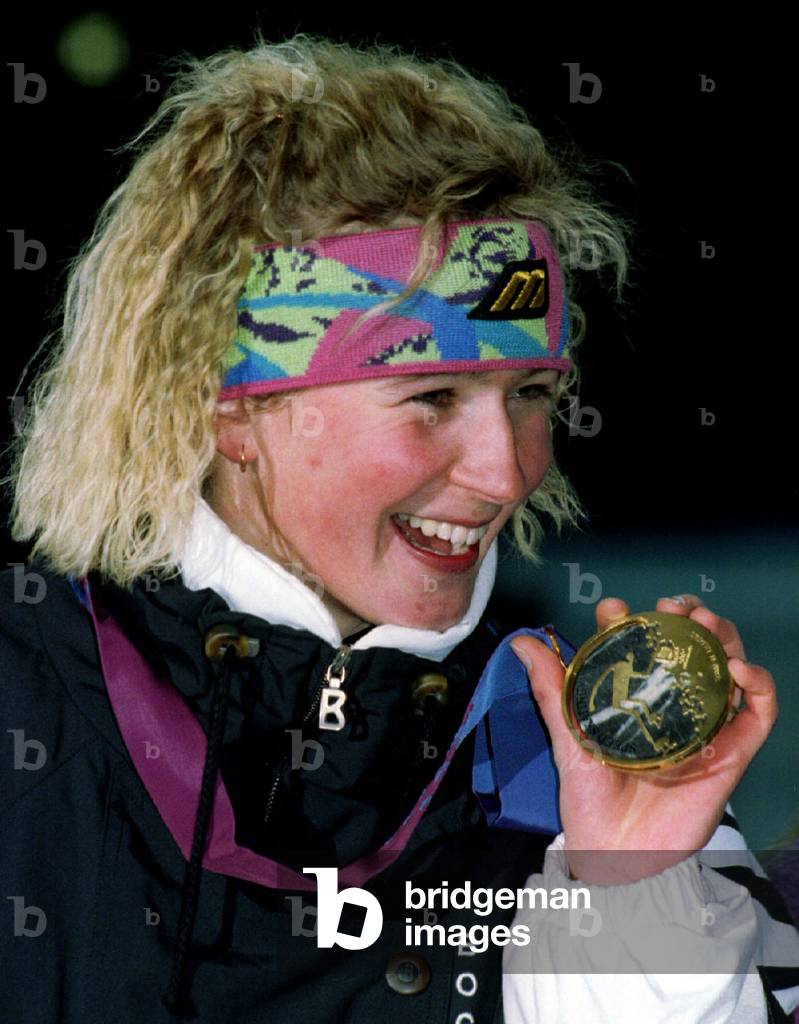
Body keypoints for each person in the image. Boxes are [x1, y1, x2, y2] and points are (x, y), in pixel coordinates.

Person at [1, 33, 797, 1024]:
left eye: (532, 393)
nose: (507, 470)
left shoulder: (573, 760)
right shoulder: (32, 704)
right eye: (430, 395)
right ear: (229, 407)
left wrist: (635, 905)